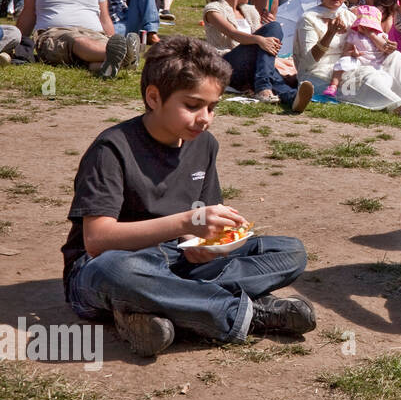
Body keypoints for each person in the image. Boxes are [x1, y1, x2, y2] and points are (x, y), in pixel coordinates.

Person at [62, 35, 314, 358]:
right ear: (154, 98)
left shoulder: (204, 144)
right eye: (193, 106)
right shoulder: (112, 149)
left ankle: (157, 313)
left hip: (178, 260)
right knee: (117, 271)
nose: (205, 118)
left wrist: (210, 243)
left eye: (213, 107)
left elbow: (202, 216)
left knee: (291, 252)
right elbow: (97, 240)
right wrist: (188, 222)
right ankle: (248, 314)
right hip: (109, 266)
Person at [294, 0, 401, 115]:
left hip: (350, 64)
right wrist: (330, 34)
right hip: (321, 75)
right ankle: (400, 106)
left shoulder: (348, 15)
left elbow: (363, 43)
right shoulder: (309, 18)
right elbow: (308, 62)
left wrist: (383, 45)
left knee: (395, 56)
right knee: (367, 74)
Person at [202, 0, 313, 112]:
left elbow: (264, 48)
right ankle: (271, 84)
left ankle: (291, 97)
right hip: (225, 64)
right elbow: (232, 33)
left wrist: (263, 39)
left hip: (248, 66)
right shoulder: (213, 9)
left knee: (273, 27)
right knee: (267, 34)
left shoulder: (249, 10)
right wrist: (259, 40)